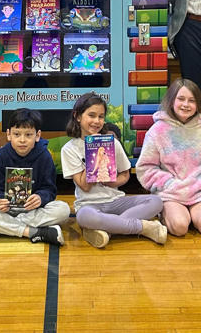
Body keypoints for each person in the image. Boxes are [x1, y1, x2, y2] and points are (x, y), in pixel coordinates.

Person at [61, 93, 166, 248]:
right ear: (77, 116)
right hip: (89, 205)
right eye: (91, 115)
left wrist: (113, 182)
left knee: (156, 201)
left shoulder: (113, 143)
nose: (97, 121)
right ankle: (143, 228)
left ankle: (107, 230)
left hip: (115, 201)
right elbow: (84, 186)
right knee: (83, 217)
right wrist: (93, 149)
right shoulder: (69, 149)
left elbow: (125, 174)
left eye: (101, 117)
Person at [136, 78, 201, 236]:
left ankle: (193, 213)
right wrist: (168, 183)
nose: (186, 104)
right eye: (181, 99)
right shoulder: (157, 130)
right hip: (170, 191)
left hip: (199, 189)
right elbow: (146, 167)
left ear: (198, 104)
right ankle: (166, 213)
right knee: (180, 227)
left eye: (192, 100)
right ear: (171, 101)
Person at [0, 108, 70, 245]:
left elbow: (49, 189)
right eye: (17, 134)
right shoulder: (2, 155)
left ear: (37, 135)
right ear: (9, 135)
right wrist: (0, 200)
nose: (22, 140)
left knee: (63, 210)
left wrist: (40, 197)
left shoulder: (45, 156)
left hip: (33, 210)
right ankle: (34, 232)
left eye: (28, 135)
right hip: (7, 210)